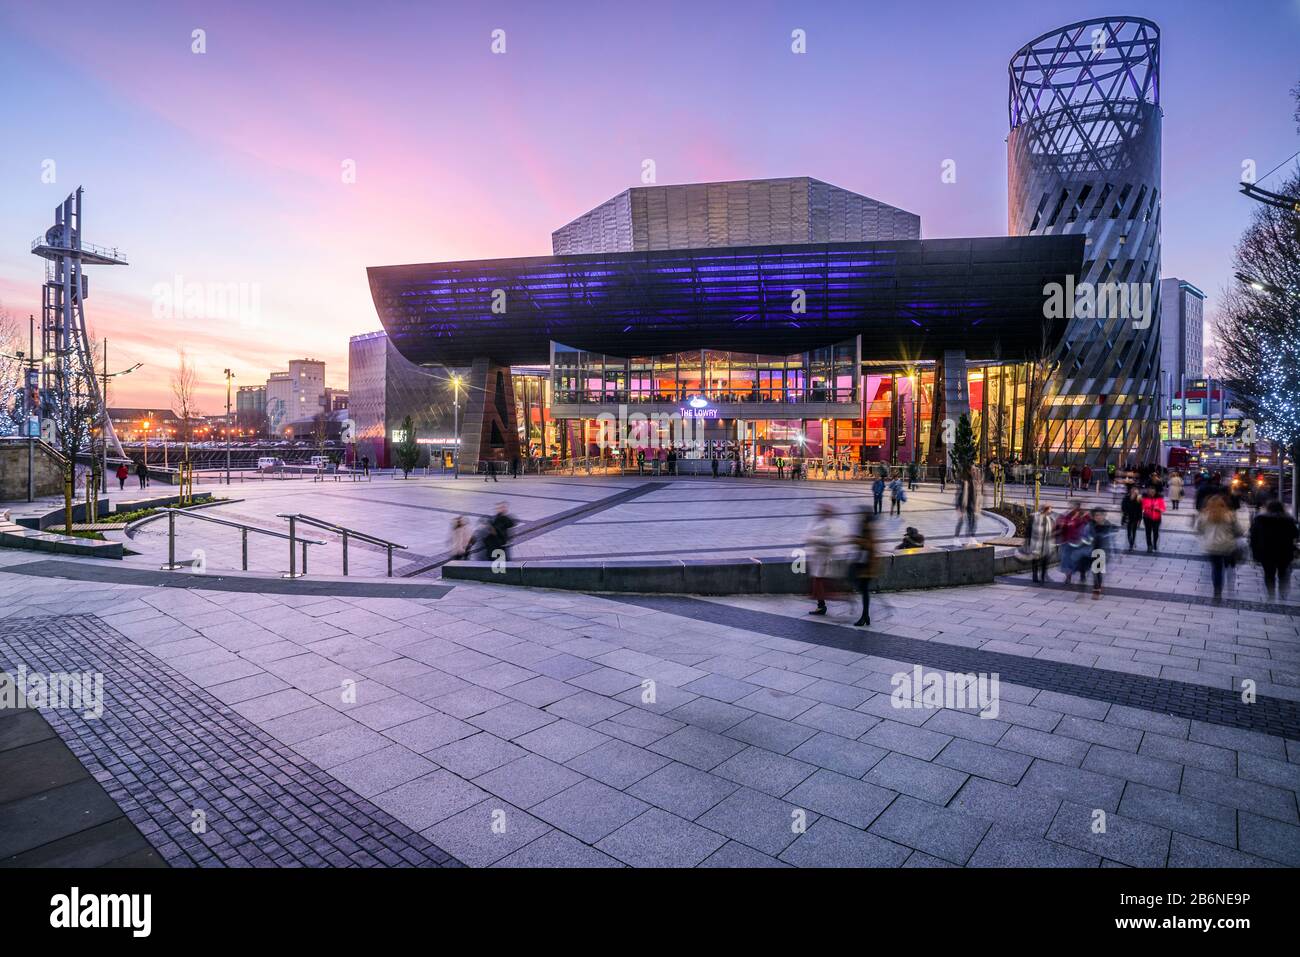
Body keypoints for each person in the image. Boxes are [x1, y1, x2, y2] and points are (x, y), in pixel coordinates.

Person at [1197, 495, 1243, 602]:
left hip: (1212, 546)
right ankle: (1230, 585)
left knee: (1216, 569)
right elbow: (1239, 531)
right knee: (1227, 567)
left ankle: (1217, 592)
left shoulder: (1205, 515)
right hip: (1227, 546)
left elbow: (1199, 529)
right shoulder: (1230, 515)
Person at [1250, 500, 1298, 599]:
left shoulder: (1260, 520)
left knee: (1269, 574)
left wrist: (1255, 553)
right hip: (1284, 552)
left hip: (1266, 552)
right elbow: (1295, 534)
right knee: (1283, 573)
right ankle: (1283, 593)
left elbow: (1253, 537)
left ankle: (1271, 594)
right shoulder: (1288, 520)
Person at [806, 504, 840, 616]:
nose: (821, 513)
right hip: (819, 558)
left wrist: (815, 539)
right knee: (818, 582)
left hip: (823, 559)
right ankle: (821, 606)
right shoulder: (821, 523)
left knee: (821, 583)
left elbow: (831, 541)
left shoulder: (829, 525)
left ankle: (822, 605)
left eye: (824, 512)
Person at [849, 510, 881, 627]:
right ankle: (865, 615)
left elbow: (869, 545)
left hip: (867, 564)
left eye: (862, 516)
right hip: (864, 563)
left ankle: (864, 616)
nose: (860, 517)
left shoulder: (868, 529)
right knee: (864, 590)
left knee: (864, 590)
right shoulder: (865, 527)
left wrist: (856, 540)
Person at [1055, 501, 1088, 585]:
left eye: (1073, 507)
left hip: (1080, 543)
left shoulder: (1084, 517)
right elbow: (1058, 526)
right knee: (1067, 561)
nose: (1071, 508)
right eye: (1070, 506)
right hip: (1067, 542)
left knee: (1080, 561)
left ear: (1078, 508)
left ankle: (1082, 575)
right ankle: (1068, 577)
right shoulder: (1066, 516)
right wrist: (1060, 526)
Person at [1021, 503, 1054, 584]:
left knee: (1045, 561)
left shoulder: (1049, 519)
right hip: (1036, 543)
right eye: (1050, 509)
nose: (1051, 511)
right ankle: (1035, 576)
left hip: (1046, 544)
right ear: (1046, 510)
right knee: (1035, 560)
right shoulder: (1034, 517)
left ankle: (1042, 576)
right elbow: (1028, 530)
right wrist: (1027, 541)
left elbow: (1051, 532)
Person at [1087, 508, 1115, 598]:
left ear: (1103, 516)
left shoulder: (1108, 525)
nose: (1098, 517)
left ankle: (1096, 590)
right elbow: (1085, 537)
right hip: (1093, 551)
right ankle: (1098, 586)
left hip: (1103, 551)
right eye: (1096, 515)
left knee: (1098, 571)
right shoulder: (1090, 525)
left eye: (1100, 515)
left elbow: (1112, 540)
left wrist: (1114, 553)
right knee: (1096, 571)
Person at [953, 466, 980, 544]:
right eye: (973, 470)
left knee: (973, 521)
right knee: (961, 521)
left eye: (975, 470)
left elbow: (976, 494)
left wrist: (977, 505)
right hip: (963, 504)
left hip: (971, 504)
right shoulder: (964, 481)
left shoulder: (974, 481)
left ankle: (971, 537)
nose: (974, 472)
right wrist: (958, 507)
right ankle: (956, 538)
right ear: (969, 471)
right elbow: (959, 494)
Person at [1141, 485, 1165, 552]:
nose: (1151, 493)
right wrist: (1146, 508)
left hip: (1157, 518)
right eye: (1150, 491)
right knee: (1148, 532)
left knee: (1156, 532)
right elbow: (1142, 507)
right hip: (1147, 518)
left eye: (1153, 491)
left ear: (1155, 492)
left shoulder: (1159, 499)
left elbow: (1163, 508)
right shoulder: (1145, 498)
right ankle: (1149, 546)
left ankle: (1155, 544)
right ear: (1148, 492)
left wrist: (1158, 509)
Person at [1120, 485, 1142, 551]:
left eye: (1135, 491)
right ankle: (1131, 544)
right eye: (1132, 490)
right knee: (1129, 531)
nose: (1133, 492)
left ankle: (1132, 542)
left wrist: (1140, 519)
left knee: (1134, 531)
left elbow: (1140, 510)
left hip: (1135, 517)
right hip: (1128, 517)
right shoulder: (1126, 498)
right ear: (1130, 491)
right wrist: (1125, 513)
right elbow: (1123, 507)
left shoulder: (1138, 499)